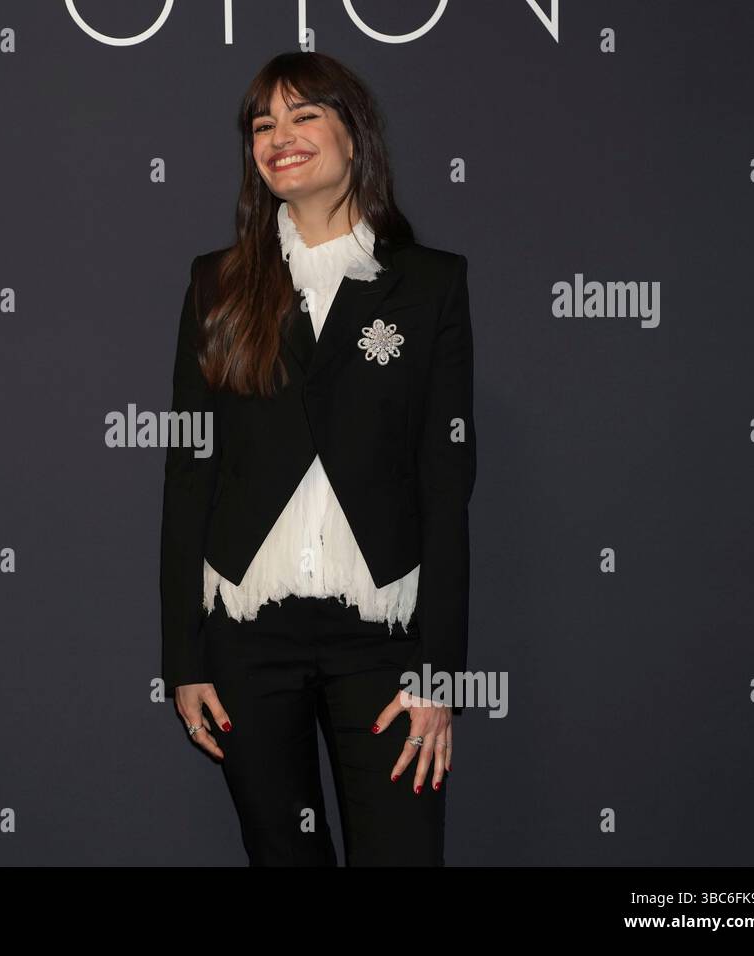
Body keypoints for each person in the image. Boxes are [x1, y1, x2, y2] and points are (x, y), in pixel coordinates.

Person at [159, 51, 476, 866]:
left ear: (352, 131)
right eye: (263, 123)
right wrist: (184, 658)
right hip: (245, 642)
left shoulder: (429, 284)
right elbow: (190, 472)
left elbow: (446, 484)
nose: (280, 136)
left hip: (383, 641)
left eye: (303, 115)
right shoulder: (217, 283)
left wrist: (439, 672)